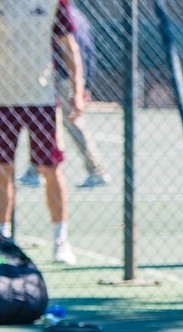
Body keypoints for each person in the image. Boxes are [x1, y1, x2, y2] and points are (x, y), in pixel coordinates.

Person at [0, 0, 85, 265]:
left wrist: (77, 89)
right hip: (3, 99)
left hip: (42, 99)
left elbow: (68, 45)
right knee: (2, 170)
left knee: (50, 168)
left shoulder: (54, 3)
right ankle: (3, 241)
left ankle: (61, 241)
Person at [18, 3, 110, 190]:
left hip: (60, 77)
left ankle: (96, 169)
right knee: (50, 123)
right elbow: (90, 54)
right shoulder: (79, 17)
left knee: (71, 122)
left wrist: (79, 85)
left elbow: (74, 51)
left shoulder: (59, 14)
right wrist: (86, 83)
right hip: (62, 77)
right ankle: (36, 169)